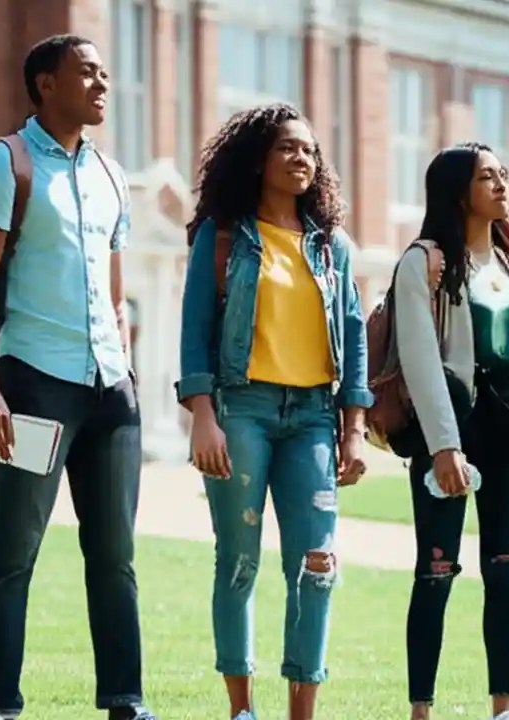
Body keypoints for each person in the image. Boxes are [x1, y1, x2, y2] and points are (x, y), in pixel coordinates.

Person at [0, 34, 156, 720]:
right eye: (87, 74)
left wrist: (126, 370)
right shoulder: (2, 164)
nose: (102, 85)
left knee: (116, 556)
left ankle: (125, 699)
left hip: (110, 394)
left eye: (106, 73)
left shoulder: (112, 176)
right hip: (35, 385)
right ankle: (0, 707)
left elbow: (116, 288)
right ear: (45, 83)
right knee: (14, 548)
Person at [174, 103, 373, 720]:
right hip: (242, 409)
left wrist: (354, 429)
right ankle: (243, 710)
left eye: (310, 150)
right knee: (238, 561)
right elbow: (194, 329)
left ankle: (302, 712)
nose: (301, 158)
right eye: (287, 147)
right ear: (259, 159)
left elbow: (354, 334)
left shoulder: (331, 247)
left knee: (318, 565)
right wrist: (202, 415)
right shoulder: (225, 235)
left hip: (313, 416)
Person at [394, 143, 509, 720]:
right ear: (459, 191)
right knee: (436, 571)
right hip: (451, 431)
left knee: (505, 569)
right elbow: (420, 360)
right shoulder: (424, 263)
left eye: (504, 174)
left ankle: (504, 707)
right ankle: (421, 712)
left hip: (508, 431)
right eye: (488, 176)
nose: (502, 184)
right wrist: (444, 447)